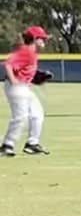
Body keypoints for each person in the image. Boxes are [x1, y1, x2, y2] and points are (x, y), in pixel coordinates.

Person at [4, 25, 50, 158]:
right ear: (35, 38)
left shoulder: (32, 53)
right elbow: (8, 64)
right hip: (17, 87)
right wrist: (14, 81)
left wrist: (37, 78)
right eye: (42, 38)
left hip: (24, 87)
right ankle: (7, 145)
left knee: (37, 114)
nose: (45, 41)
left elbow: (23, 70)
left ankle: (32, 144)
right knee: (21, 117)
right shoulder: (27, 51)